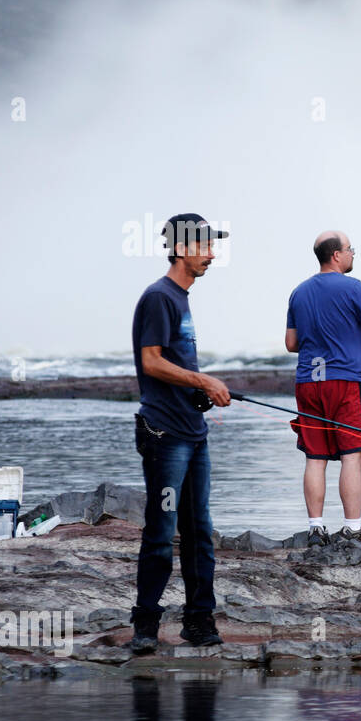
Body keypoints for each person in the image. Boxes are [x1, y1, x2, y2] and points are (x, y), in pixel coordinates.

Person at [129, 213, 232, 653]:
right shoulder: (159, 297)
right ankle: (145, 626)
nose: (212, 254)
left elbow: (173, 368)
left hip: (193, 432)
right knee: (160, 530)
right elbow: (150, 361)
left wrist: (198, 394)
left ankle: (198, 621)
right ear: (182, 248)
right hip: (164, 436)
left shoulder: (182, 298)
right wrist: (204, 381)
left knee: (199, 531)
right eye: (206, 246)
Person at [285, 230, 361, 546]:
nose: (353, 254)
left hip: (308, 384)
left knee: (315, 456)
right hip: (344, 382)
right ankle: (353, 528)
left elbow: (291, 344)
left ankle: (316, 528)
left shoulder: (298, 293)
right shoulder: (353, 288)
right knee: (352, 456)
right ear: (337, 255)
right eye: (350, 249)